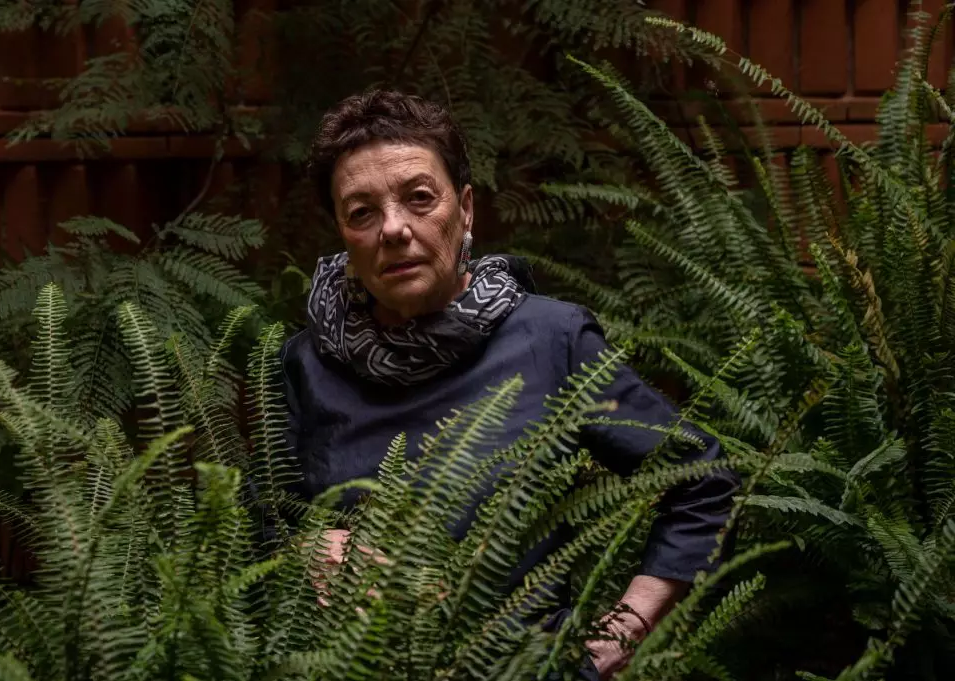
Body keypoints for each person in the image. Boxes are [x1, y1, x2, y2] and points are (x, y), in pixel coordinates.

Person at [278, 88, 739, 679]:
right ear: (343, 232)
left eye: (420, 198)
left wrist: (622, 633)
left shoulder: (552, 339)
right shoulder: (304, 362)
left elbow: (700, 481)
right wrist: (305, 549)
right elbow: (257, 527)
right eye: (361, 212)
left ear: (465, 208)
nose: (393, 228)